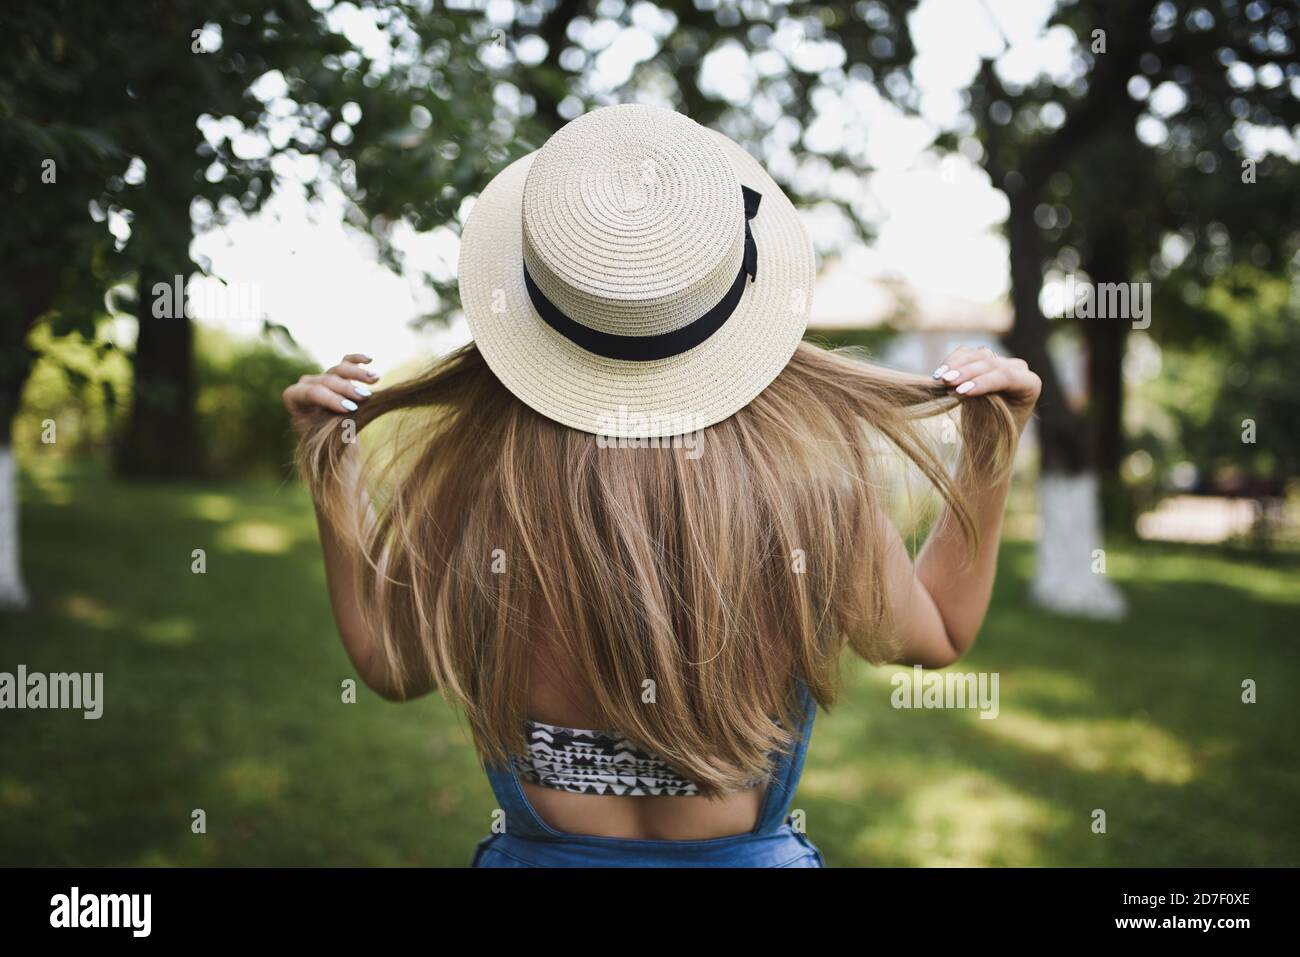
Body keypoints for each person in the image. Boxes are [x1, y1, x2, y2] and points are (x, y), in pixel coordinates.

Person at [283, 104, 1041, 867]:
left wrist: (333, 463)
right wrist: (989, 449)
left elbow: (388, 659)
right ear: (733, 298)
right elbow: (937, 634)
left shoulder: (481, 489)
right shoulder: (811, 496)